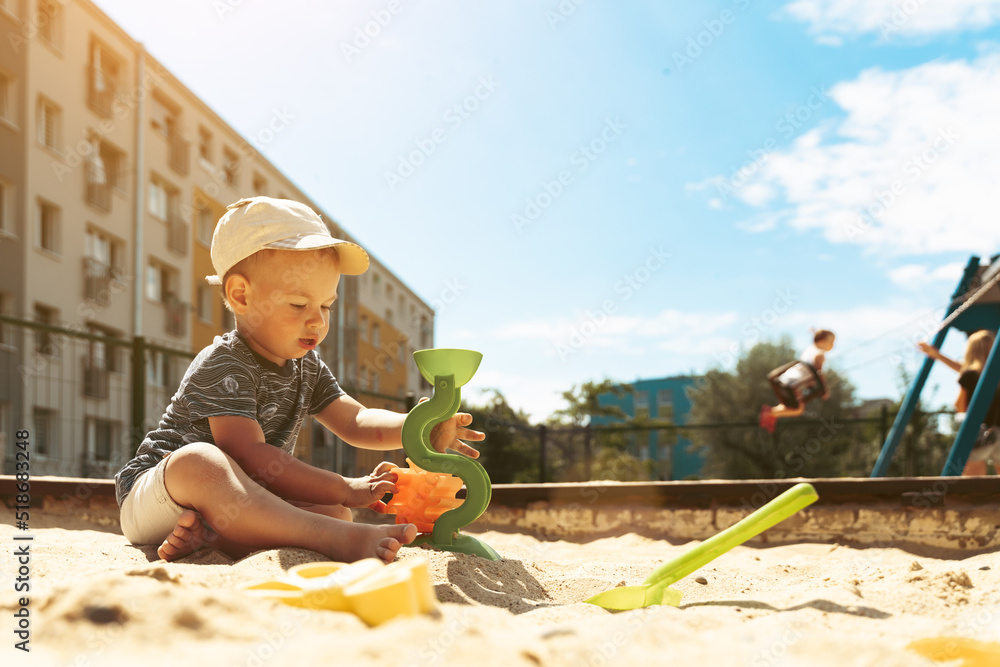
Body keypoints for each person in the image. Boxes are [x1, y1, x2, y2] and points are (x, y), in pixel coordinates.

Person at [114, 197, 484, 564]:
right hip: (157, 495)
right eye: (298, 305)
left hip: (230, 506)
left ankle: (213, 538)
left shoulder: (307, 366)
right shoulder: (225, 362)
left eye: (326, 306)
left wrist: (417, 426)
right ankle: (329, 539)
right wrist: (344, 486)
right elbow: (252, 457)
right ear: (241, 295)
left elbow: (355, 421)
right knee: (200, 460)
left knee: (335, 512)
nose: (318, 322)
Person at [917, 329, 1000, 475]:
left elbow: (960, 406)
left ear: (970, 350)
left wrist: (935, 354)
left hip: (978, 432)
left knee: (973, 486)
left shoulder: (969, 376)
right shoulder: (995, 376)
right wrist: (937, 355)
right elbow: (961, 367)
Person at [759, 329, 836, 433]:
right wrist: (825, 389)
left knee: (793, 407)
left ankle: (772, 413)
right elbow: (819, 373)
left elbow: (810, 371)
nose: (833, 345)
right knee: (797, 409)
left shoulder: (810, 349)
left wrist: (815, 333)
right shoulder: (820, 355)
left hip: (785, 380)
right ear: (822, 341)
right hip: (791, 384)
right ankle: (770, 413)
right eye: (831, 341)